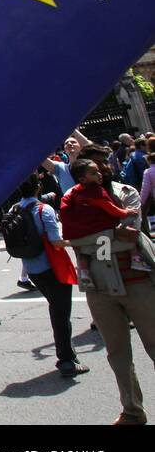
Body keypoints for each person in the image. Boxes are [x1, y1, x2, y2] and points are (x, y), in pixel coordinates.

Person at [62, 146, 155, 424]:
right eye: (93, 166)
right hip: (100, 288)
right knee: (117, 354)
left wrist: (94, 237)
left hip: (138, 282)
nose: (101, 170)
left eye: (103, 164)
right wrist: (110, 232)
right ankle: (132, 411)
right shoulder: (72, 199)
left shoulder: (127, 193)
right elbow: (73, 239)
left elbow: (129, 236)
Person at [10, 172, 88, 377]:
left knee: (57, 309)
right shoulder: (44, 210)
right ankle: (66, 359)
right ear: (38, 187)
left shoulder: (14, 209)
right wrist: (79, 241)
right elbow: (55, 240)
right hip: (52, 267)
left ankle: (68, 355)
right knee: (62, 314)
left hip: (32, 268)